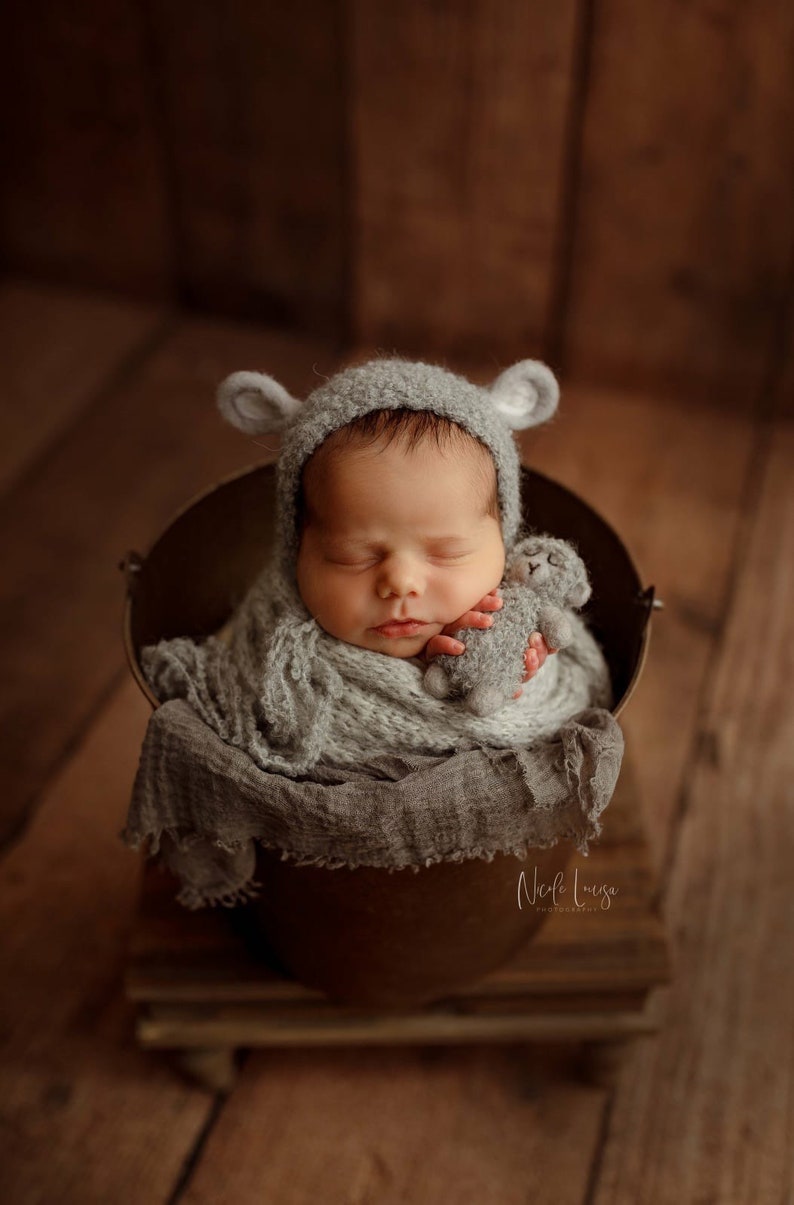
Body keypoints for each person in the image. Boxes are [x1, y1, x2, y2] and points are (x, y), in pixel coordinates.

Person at [294, 404, 555, 697]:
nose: (401, 583)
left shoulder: (529, 610)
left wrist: (506, 664)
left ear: (503, 541)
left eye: (447, 553)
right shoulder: (276, 666)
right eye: (355, 555)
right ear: (297, 550)